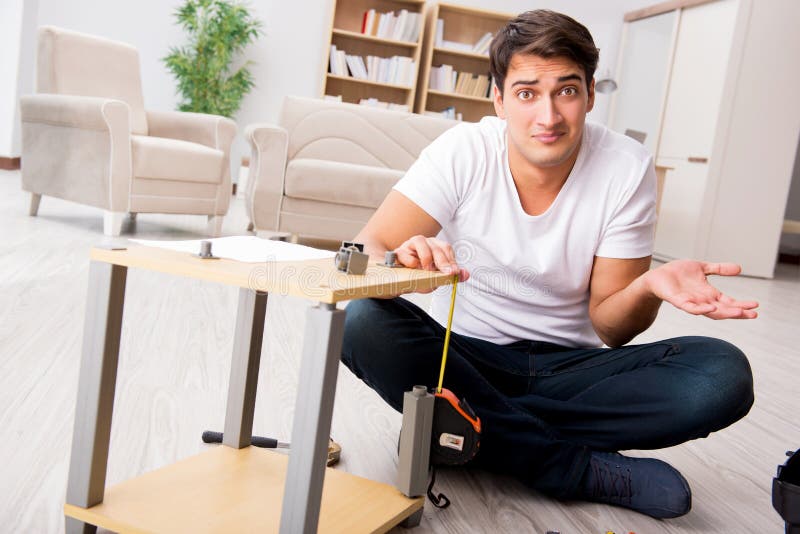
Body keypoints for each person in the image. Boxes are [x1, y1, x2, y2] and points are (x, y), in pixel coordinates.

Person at [340, 9, 757, 519]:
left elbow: (611, 327)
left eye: (567, 90)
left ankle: (461, 426)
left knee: (721, 374)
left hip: (572, 369)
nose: (549, 116)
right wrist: (401, 262)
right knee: (358, 319)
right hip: (468, 357)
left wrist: (647, 287)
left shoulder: (625, 167)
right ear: (498, 98)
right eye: (526, 93)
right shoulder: (463, 151)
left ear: (589, 96)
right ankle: (570, 467)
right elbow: (364, 253)